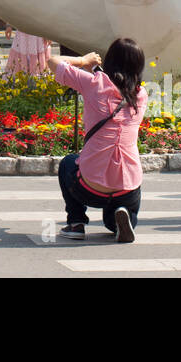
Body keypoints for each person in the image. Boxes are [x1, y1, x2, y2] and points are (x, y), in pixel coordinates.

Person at [49, 38, 148, 242]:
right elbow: (119, 86)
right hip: (127, 186)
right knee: (117, 217)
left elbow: (51, 61)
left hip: (90, 187)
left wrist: (83, 60)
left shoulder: (93, 83)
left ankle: (76, 223)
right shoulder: (141, 95)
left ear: (110, 60)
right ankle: (122, 218)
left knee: (68, 162)